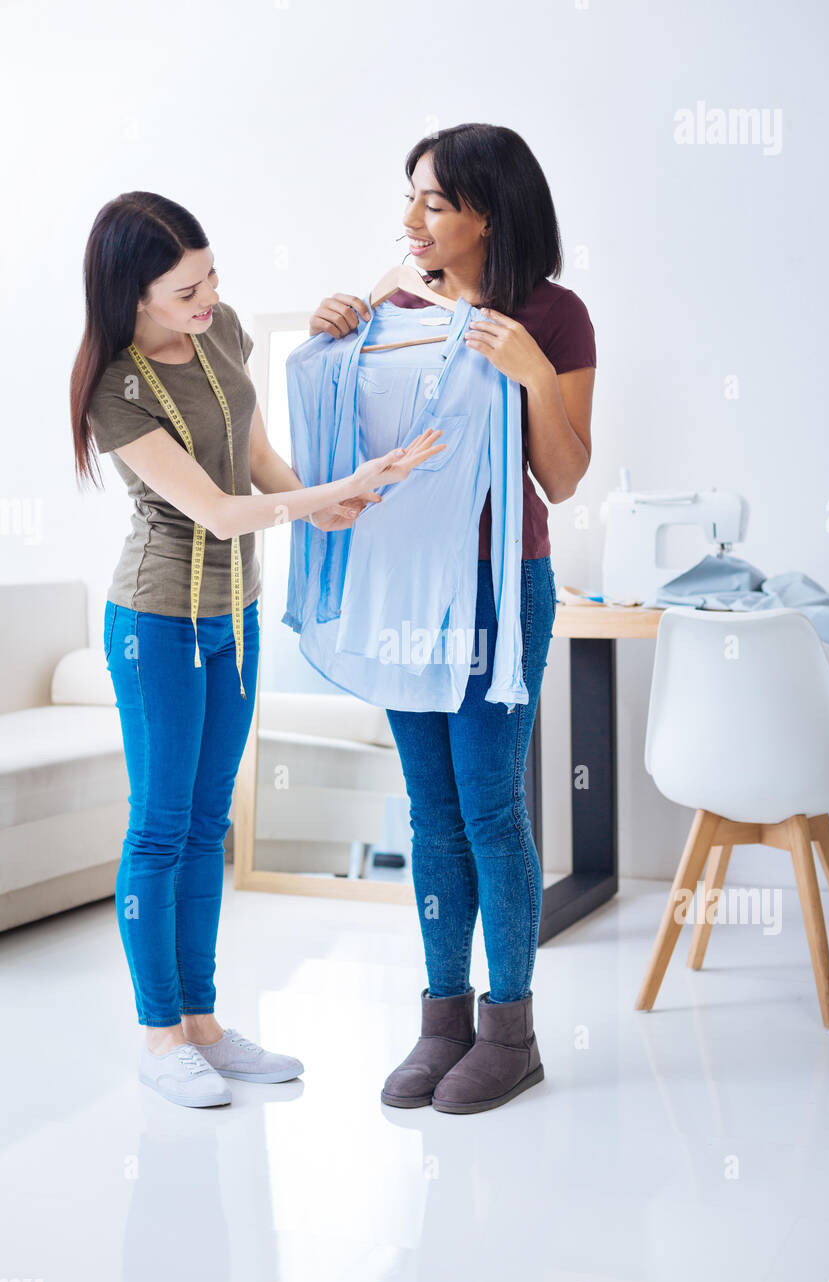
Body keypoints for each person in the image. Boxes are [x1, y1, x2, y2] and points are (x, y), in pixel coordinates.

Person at [70, 191, 444, 1109]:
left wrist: (328, 495)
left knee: (208, 824)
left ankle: (203, 1027)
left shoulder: (223, 330)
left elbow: (257, 461)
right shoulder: (115, 390)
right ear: (134, 293)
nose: (209, 296)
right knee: (159, 827)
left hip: (233, 612)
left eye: (212, 276)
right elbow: (219, 509)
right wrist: (338, 490)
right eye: (188, 287)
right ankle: (160, 1037)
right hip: (156, 619)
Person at [309, 123, 596, 1114]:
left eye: (431, 201)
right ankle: (442, 1024)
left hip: (497, 588)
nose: (410, 219)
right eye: (411, 198)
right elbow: (346, 442)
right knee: (430, 815)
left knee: (488, 811)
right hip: (404, 590)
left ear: (486, 211)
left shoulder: (553, 319)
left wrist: (527, 372)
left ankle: (509, 1032)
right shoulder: (391, 311)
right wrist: (335, 342)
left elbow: (558, 478)